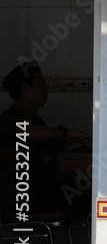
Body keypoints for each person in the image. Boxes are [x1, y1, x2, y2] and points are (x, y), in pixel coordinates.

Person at [0, 62, 90, 223]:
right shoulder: (9, 118)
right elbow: (24, 132)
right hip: (22, 199)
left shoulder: (35, 119)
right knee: (87, 186)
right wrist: (65, 132)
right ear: (25, 87)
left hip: (36, 193)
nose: (47, 90)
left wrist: (69, 142)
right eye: (41, 84)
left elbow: (52, 150)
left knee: (85, 181)